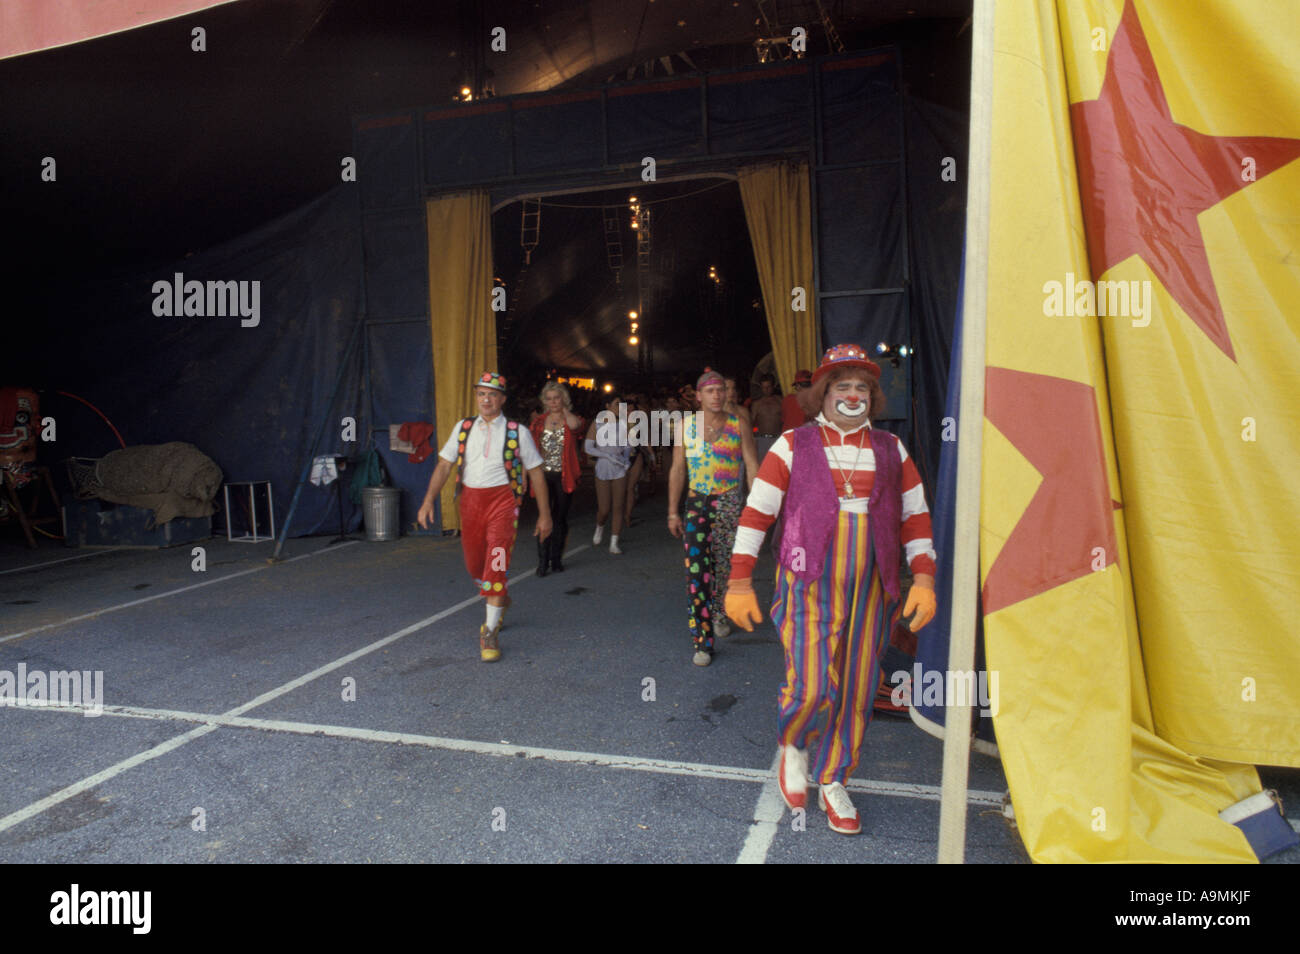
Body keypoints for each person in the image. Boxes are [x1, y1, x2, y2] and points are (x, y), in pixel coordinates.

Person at [725, 344, 937, 834]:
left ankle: (835, 779)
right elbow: (757, 513)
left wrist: (922, 575)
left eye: (862, 386)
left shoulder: (890, 449)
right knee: (814, 684)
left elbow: (916, 515)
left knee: (859, 689)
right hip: (807, 583)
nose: (853, 394)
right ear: (822, 393)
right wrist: (739, 579)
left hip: (872, 587)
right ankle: (794, 746)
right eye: (842, 385)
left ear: (873, 397)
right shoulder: (793, 444)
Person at [417, 371, 552, 663]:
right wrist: (428, 500)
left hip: (503, 503)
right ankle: (498, 595)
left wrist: (545, 515)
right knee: (474, 565)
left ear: (502, 399)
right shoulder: (463, 428)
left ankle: (489, 630)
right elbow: (443, 465)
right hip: (470, 503)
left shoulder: (518, 431)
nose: (486, 399)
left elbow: (537, 473)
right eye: (481, 394)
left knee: (497, 560)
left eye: (492, 394)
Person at [668, 368, 759, 666]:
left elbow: (751, 464)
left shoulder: (739, 424)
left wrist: (757, 507)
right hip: (696, 502)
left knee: (724, 566)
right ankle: (702, 641)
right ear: (698, 396)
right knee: (696, 572)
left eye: (720, 389)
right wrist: (672, 511)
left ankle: (719, 612)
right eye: (710, 390)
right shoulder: (685, 426)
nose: (717, 395)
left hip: (729, 502)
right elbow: (678, 469)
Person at [529, 381, 584, 576]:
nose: (553, 402)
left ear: (563, 398)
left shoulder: (572, 419)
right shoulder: (538, 421)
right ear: (545, 401)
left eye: (557, 397)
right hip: (543, 476)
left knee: (560, 518)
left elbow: (576, 426)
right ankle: (542, 562)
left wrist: (564, 410)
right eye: (549, 399)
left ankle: (556, 559)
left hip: (564, 476)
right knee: (544, 517)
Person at [585, 392, 631, 554]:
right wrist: (605, 455)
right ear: (607, 406)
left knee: (618, 507)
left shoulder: (624, 424)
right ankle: (600, 526)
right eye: (617, 404)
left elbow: (627, 447)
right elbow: (588, 447)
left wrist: (626, 461)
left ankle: (614, 542)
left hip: (619, 468)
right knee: (604, 509)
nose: (620, 407)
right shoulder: (597, 423)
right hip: (603, 466)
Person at [750, 373, 784, 462]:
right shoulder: (756, 404)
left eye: (768, 387)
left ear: (773, 386)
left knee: (778, 466)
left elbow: (786, 420)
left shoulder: (780, 401)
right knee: (762, 466)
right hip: (761, 440)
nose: (766, 390)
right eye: (764, 387)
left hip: (778, 439)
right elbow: (751, 423)